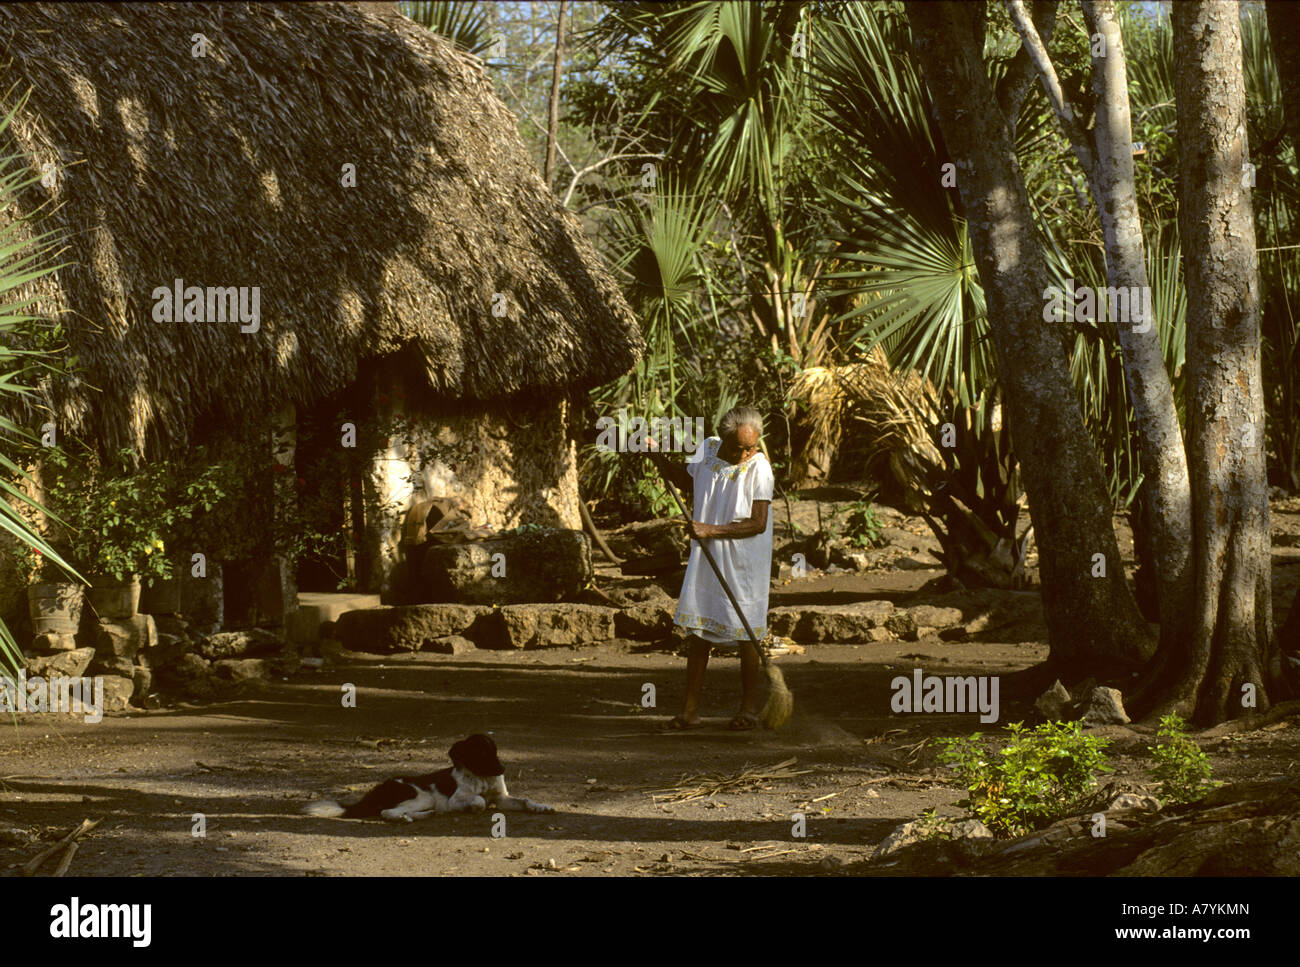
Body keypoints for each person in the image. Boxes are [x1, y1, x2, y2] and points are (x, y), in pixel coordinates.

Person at [648, 406, 774, 730]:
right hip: (707, 557)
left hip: (744, 562)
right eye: (739, 447)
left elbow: (758, 524)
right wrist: (656, 456)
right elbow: (686, 478)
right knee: (699, 632)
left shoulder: (761, 469)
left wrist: (710, 530)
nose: (747, 453)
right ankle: (690, 710)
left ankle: (747, 710)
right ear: (723, 439)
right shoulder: (707, 450)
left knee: (747, 631)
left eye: (752, 446)